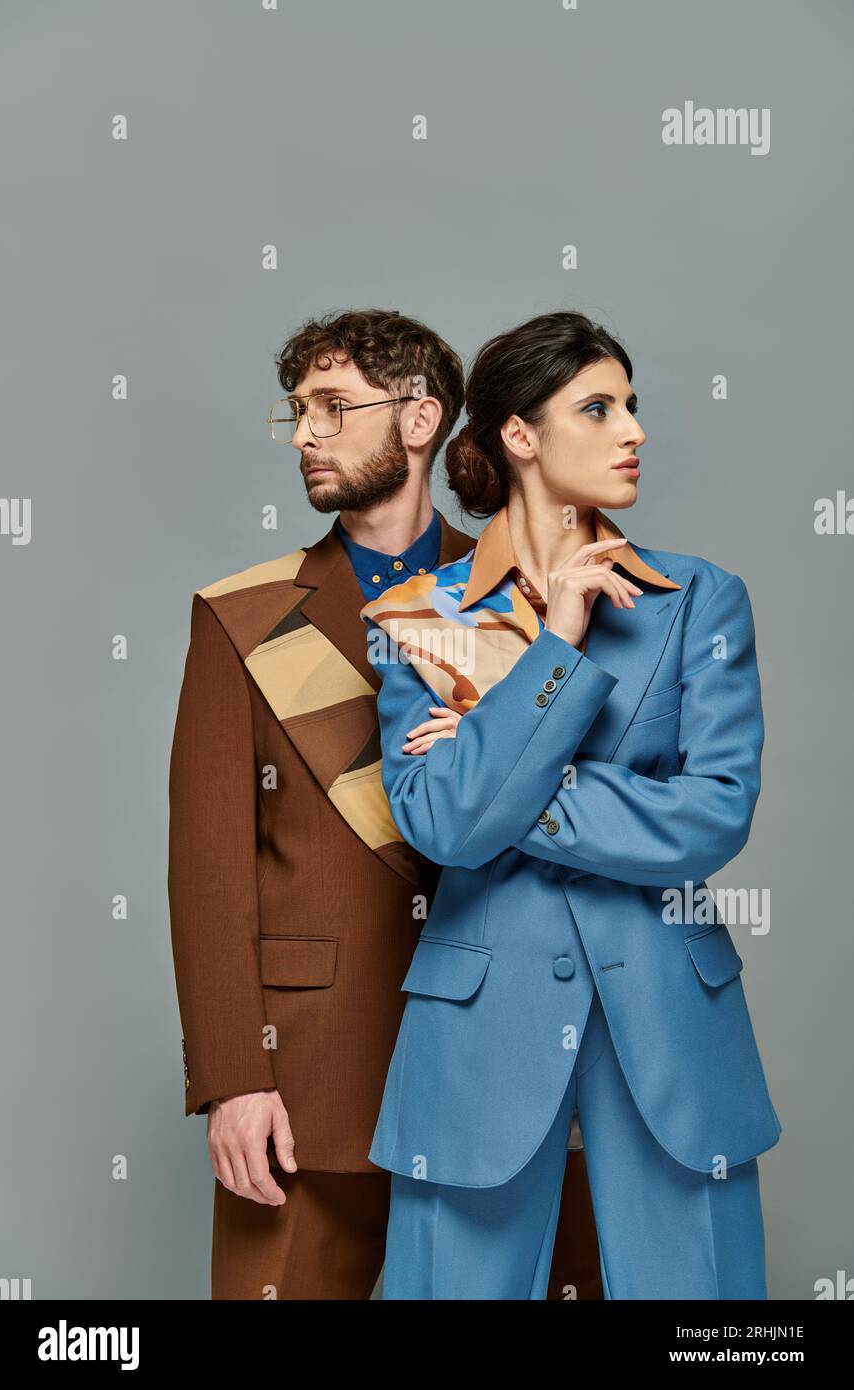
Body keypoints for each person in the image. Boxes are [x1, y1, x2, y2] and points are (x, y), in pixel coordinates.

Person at [167, 308, 602, 1299]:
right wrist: (235, 1077)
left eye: (332, 407)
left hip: (512, 1057)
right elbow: (208, 873)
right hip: (307, 1079)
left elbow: (580, 819)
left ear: (419, 419)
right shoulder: (243, 613)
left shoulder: (531, 590)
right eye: (297, 414)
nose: (306, 436)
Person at [360, 309, 782, 1300]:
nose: (632, 429)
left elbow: (709, 816)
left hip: (671, 1019)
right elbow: (442, 825)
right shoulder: (423, 618)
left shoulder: (697, 600)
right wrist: (555, 641)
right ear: (518, 435)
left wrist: (511, 776)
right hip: (477, 1024)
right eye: (596, 408)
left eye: (631, 407)